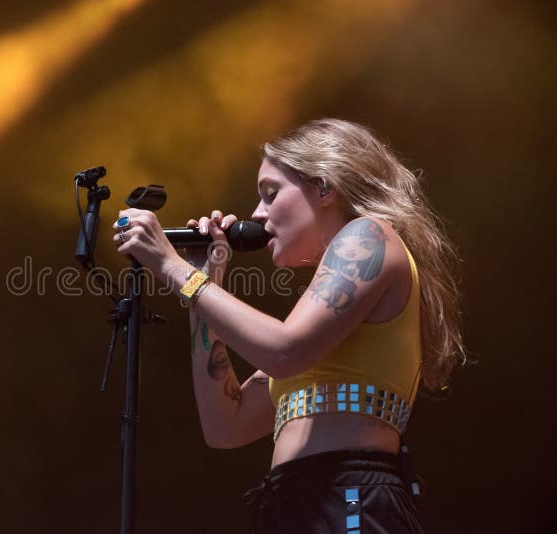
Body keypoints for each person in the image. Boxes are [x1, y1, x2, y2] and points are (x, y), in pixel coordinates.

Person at [111, 118, 465, 533]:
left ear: (324, 186)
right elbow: (225, 425)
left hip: (350, 498)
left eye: (270, 193)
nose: (257, 214)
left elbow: (285, 350)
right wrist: (204, 282)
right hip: (295, 505)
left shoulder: (369, 236)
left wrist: (173, 269)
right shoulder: (323, 316)